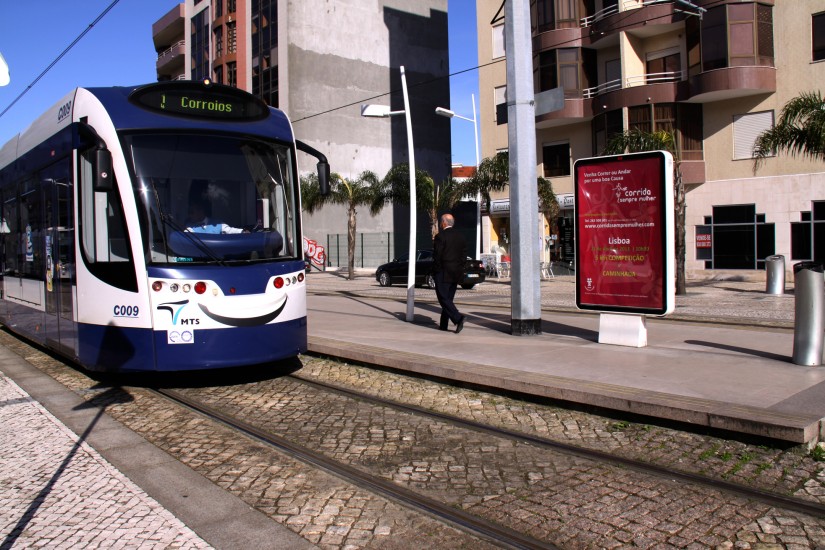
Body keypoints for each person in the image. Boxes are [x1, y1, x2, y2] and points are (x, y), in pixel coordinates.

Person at [433, 213, 467, 333]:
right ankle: (443, 324)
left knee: (443, 298)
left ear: (443, 223)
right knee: (448, 300)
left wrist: (436, 271)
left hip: (443, 272)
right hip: (455, 273)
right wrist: (459, 268)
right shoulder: (460, 237)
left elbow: (437, 256)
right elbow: (463, 257)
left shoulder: (440, 237)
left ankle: (458, 318)